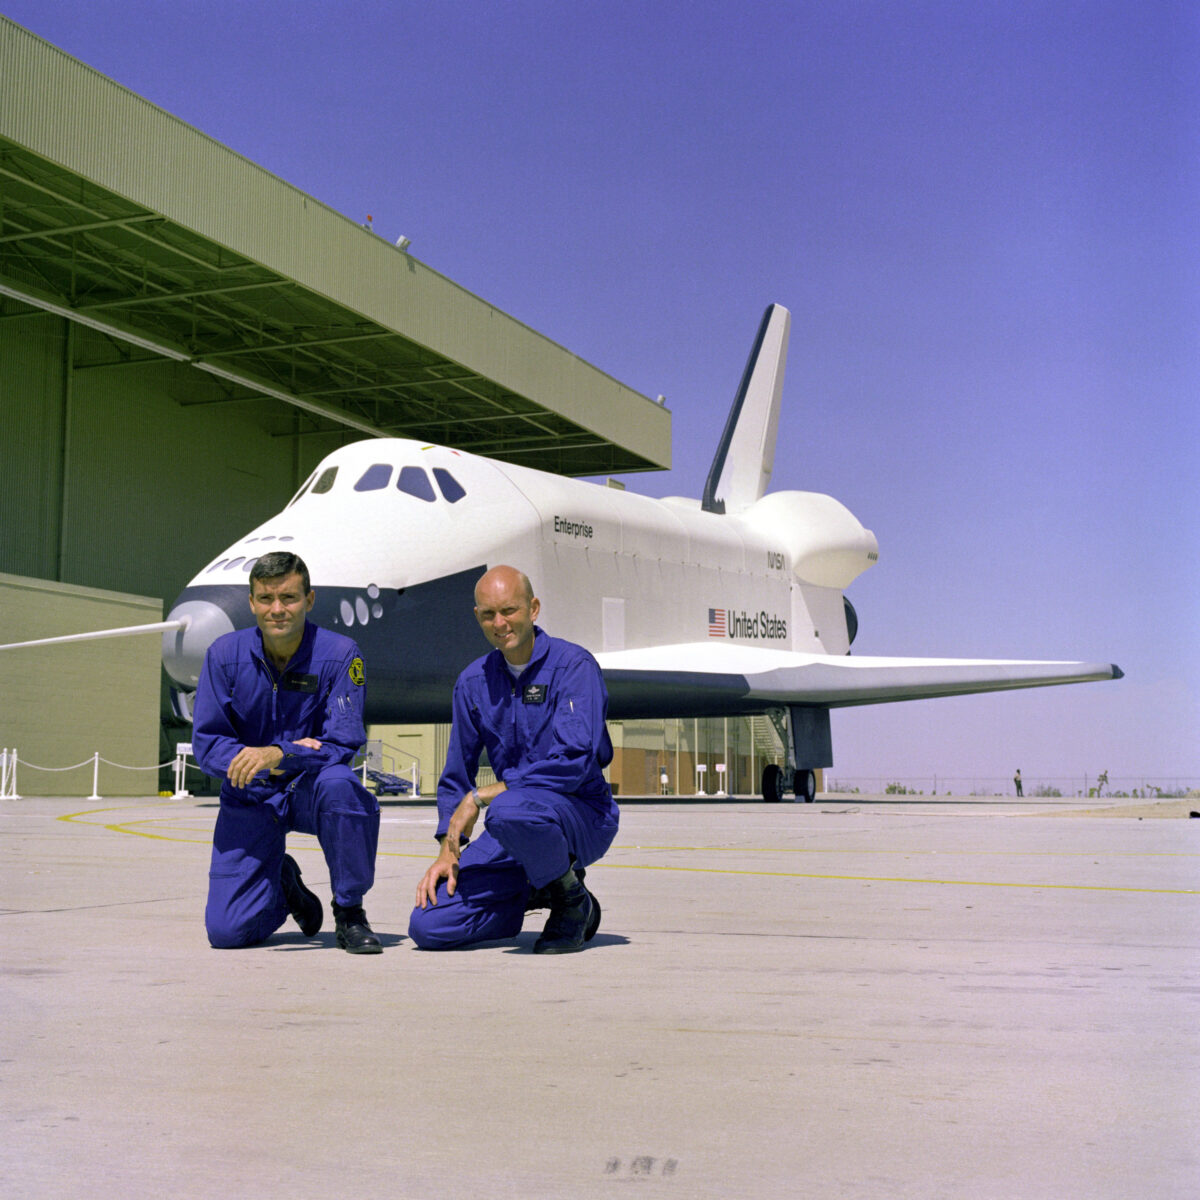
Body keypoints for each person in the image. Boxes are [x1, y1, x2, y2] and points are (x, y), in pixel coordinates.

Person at [410, 565, 619, 954]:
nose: (499, 622)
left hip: (581, 815)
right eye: (488, 614)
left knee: (507, 810)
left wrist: (482, 797)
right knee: (429, 924)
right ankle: (542, 885)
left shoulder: (574, 667)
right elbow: (457, 773)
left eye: (509, 610)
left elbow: (574, 761)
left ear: (533, 608)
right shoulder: (472, 682)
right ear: (477, 617)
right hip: (516, 825)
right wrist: (447, 849)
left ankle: (573, 903)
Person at [192, 551, 382, 954]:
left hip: (309, 790)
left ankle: (350, 912)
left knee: (341, 785)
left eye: (289, 598)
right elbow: (209, 743)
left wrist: (281, 753)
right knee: (227, 934)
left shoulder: (340, 654)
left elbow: (343, 741)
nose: (277, 609)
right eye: (265, 598)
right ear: (251, 602)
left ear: (309, 600)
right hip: (250, 795)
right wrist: (258, 760)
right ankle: (283, 884)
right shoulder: (223, 655)